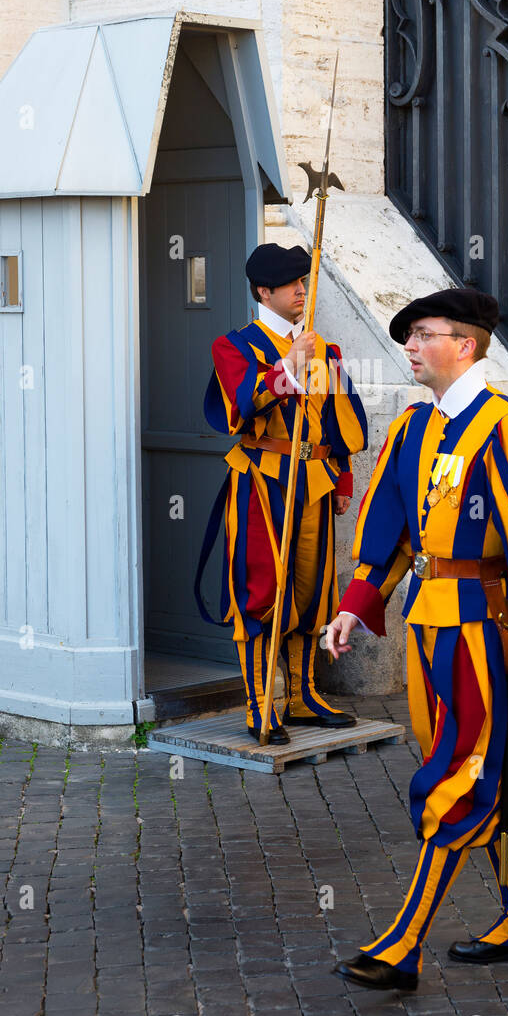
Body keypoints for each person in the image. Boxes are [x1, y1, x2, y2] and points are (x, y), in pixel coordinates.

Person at [324, 287, 508, 989]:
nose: (410, 348)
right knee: (489, 769)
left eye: (424, 335)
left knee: (460, 772)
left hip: (489, 629)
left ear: (467, 345)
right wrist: (357, 607)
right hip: (429, 625)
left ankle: (402, 944)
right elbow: (388, 534)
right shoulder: (415, 429)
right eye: (410, 336)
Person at [195, 242, 368, 743]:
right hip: (262, 480)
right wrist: (288, 365)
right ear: (263, 291)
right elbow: (243, 404)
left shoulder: (324, 351)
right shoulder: (234, 347)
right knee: (262, 589)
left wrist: (342, 478)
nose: (301, 290)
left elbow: (338, 420)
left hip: (314, 481)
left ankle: (302, 695)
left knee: (312, 593)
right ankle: (259, 704)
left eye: (303, 281)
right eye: (292, 284)